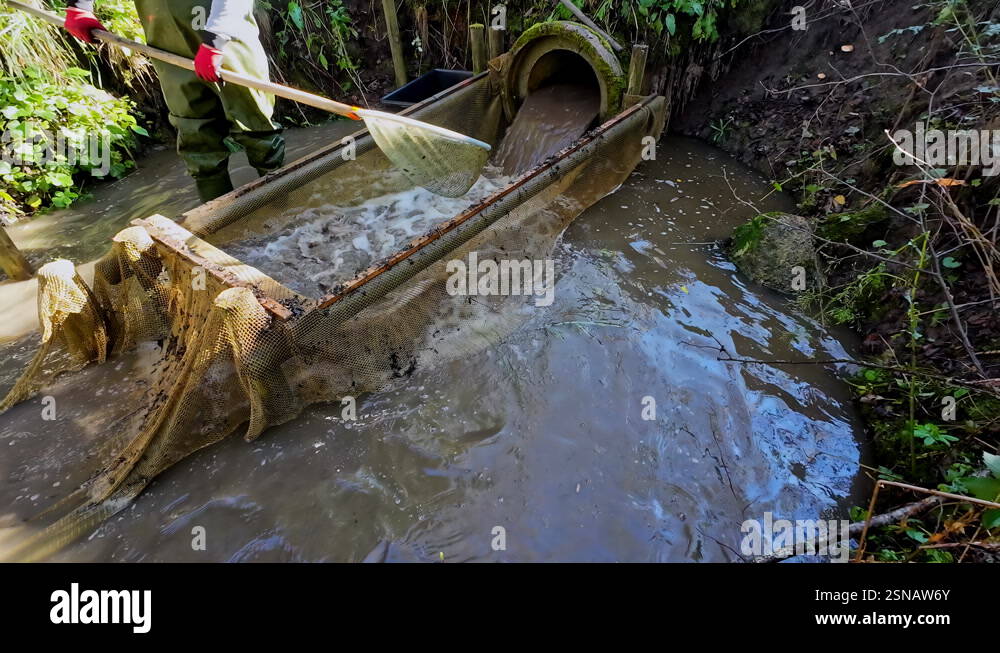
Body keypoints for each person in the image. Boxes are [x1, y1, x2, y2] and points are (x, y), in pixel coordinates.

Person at [63, 0, 285, 202]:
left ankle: (285, 211)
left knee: (256, 127)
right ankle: (221, 227)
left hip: (226, 35)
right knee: (195, 137)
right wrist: (80, 6)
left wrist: (216, 39)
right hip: (165, 39)